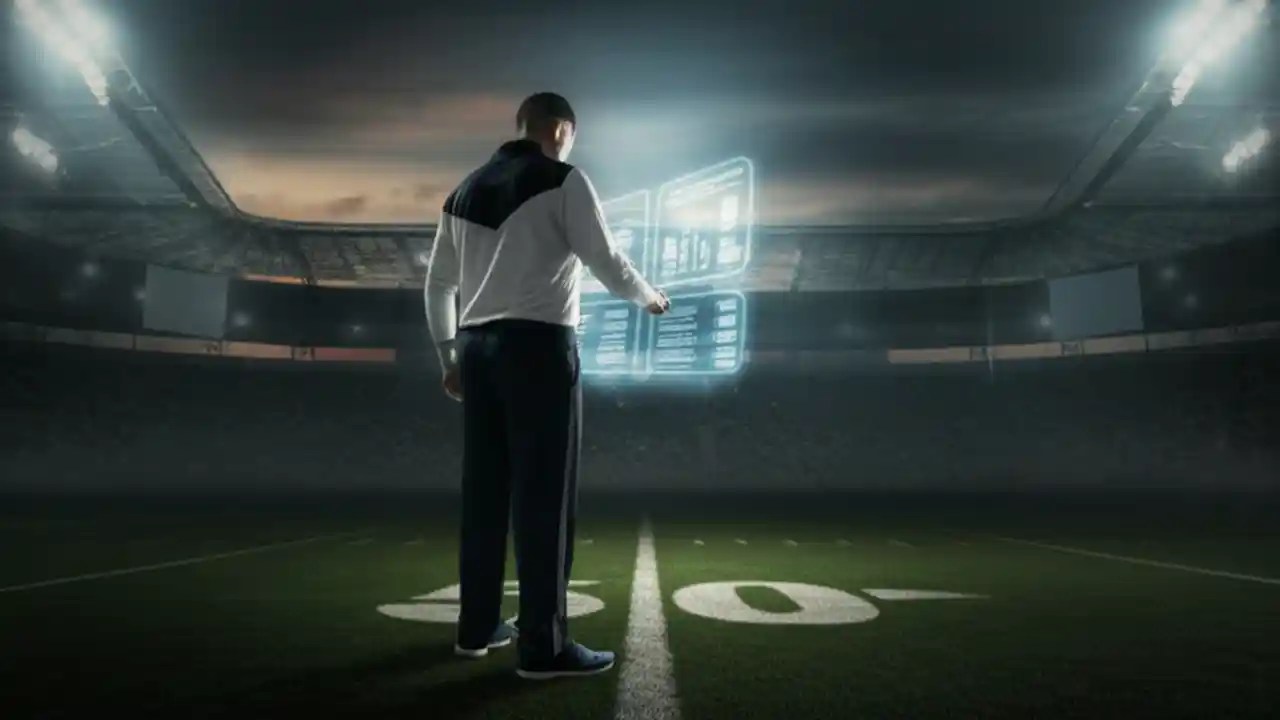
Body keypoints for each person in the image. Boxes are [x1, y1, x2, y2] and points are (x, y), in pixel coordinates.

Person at [423, 92, 670, 679]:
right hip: (538, 348)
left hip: (478, 349)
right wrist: (651, 297)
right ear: (561, 130)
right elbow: (606, 260)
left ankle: (477, 627)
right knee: (544, 497)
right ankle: (543, 646)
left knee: (484, 493)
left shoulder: (463, 191)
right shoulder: (564, 179)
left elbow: (436, 286)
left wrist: (448, 356)